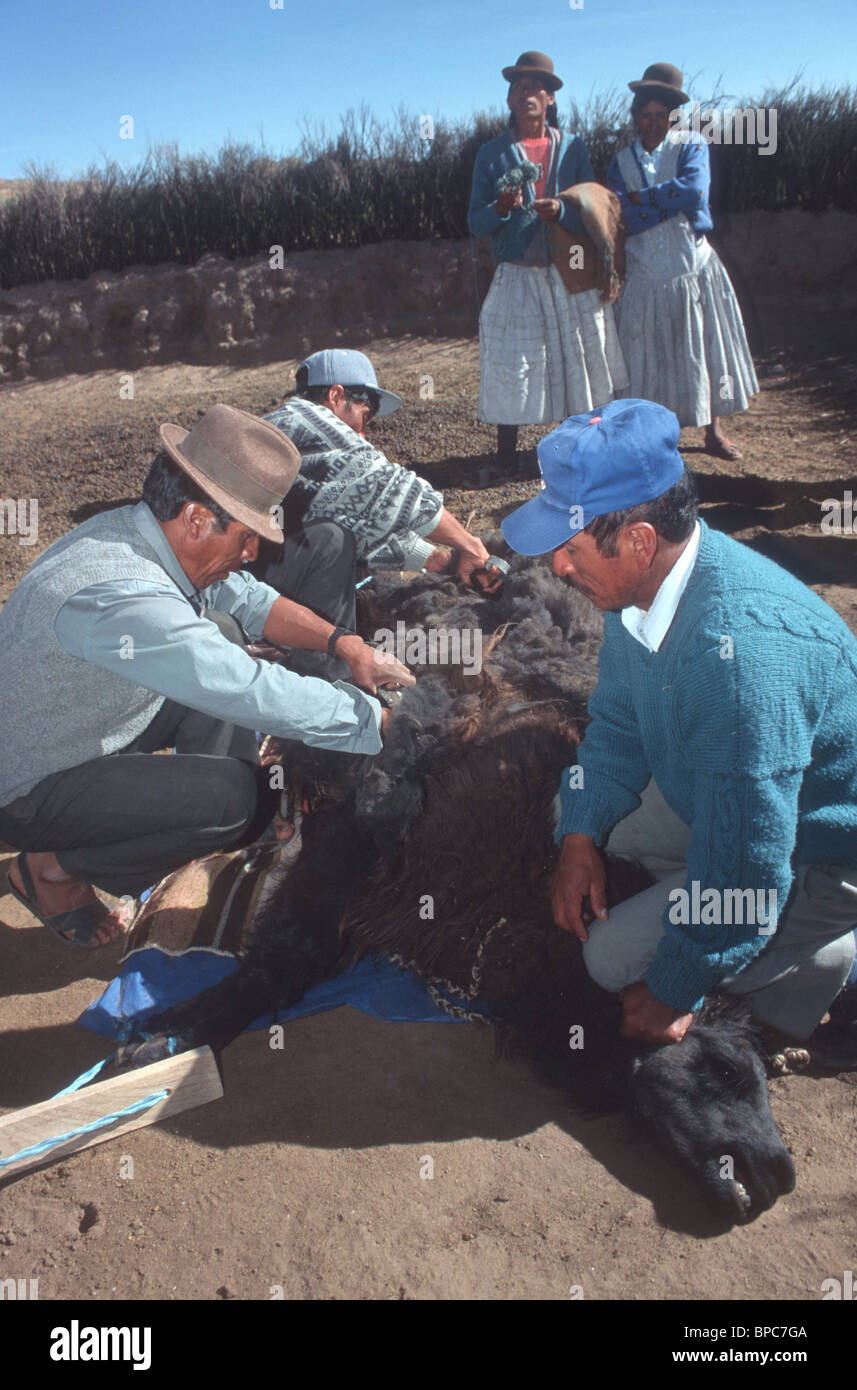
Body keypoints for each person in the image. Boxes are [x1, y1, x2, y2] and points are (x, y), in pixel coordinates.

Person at [500, 399, 857, 1060]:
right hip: (728, 783)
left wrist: (672, 990)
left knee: (609, 961)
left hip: (823, 845)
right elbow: (616, 723)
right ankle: (707, 888)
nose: (557, 566)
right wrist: (579, 837)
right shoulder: (637, 589)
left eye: (569, 546)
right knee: (571, 808)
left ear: (638, 541)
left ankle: (834, 954)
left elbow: (749, 869)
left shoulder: (741, 661)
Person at [0, 404, 412, 950]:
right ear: (196, 518)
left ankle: (210, 817)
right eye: (246, 539)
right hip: (29, 783)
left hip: (82, 723)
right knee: (235, 799)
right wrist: (374, 720)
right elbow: (239, 684)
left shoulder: (141, 533)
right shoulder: (119, 593)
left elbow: (247, 598)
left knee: (218, 624)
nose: (249, 556)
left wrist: (345, 644)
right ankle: (51, 868)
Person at [257, 348, 503, 677]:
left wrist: (437, 561)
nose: (363, 432)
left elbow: (356, 517)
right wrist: (469, 546)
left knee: (337, 536)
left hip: (257, 573)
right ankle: (328, 680)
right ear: (335, 395)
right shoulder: (303, 420)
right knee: (332, 540)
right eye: (365, 413)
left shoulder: (295, 437)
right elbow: (391, 487)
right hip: (245, 582)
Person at [468, 50, 628, 472]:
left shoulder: (571, 148)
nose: (527, 94)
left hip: (567, 268)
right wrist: (502, 208)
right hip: (517, 268)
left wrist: (559, 210)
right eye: (518, 87)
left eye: (536, 87)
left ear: (551, 98)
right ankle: (507, 457)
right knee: (511, 358)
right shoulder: (491, 155)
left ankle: (581, 452)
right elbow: (475, 220)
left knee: (576, 352)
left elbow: (591, 202)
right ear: (508, 101)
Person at [606, 63, 759, 461]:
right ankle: (653, 437)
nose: (653, 124)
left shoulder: (692, 145)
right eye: (646, 115)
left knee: (702, 349)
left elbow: (693, 191)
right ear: (636, 117)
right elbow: (618, 211)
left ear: (674, 116)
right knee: (649, 353)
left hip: (692, 266)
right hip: (644, 270)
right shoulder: (622, 161)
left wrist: (645, 199)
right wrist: (660, 203)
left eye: (662, 116)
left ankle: (713, 432)